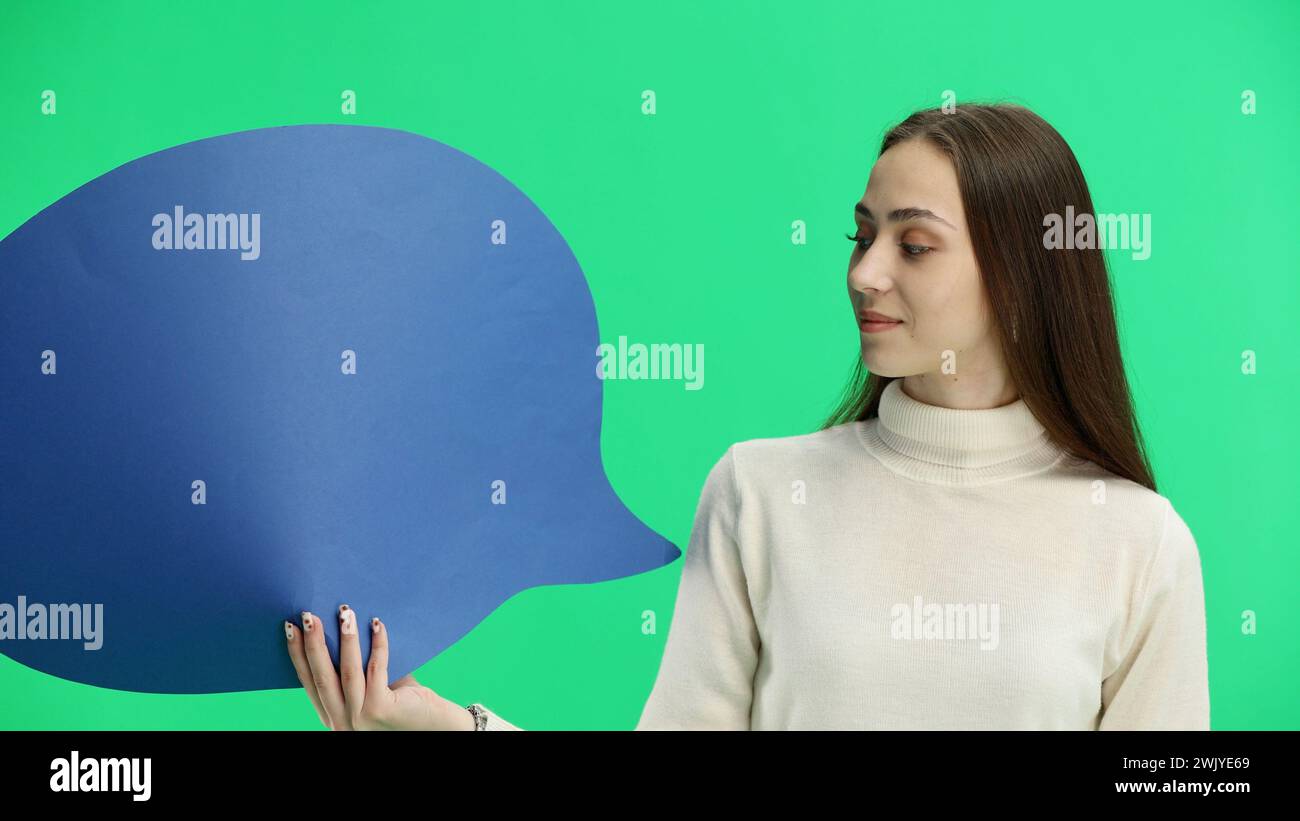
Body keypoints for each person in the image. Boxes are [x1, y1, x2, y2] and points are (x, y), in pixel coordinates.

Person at [282, 102, 1211, 730]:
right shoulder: (766, 493)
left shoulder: (1137, 543)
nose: (864, 273)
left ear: (1024, 273)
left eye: (914, 244)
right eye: (862, 234)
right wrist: (445, 727)